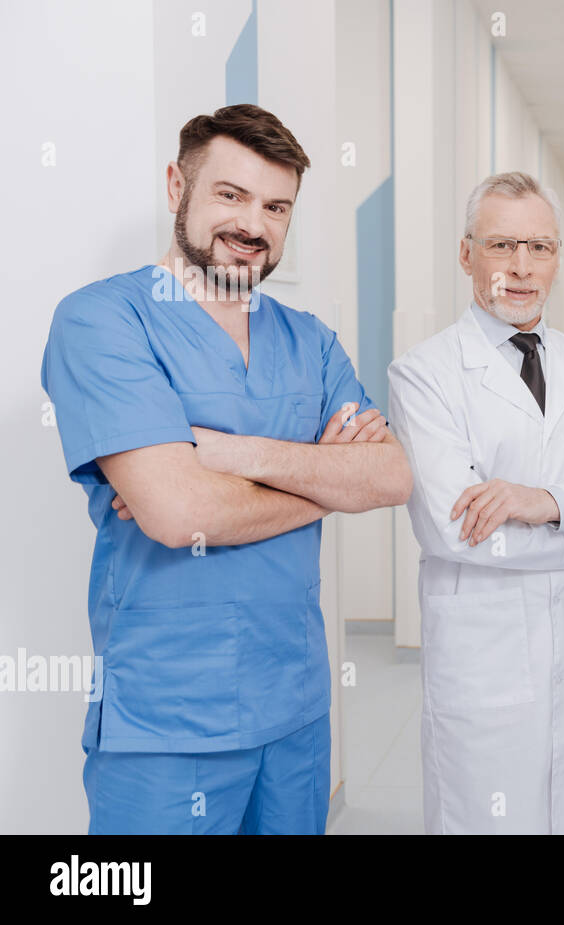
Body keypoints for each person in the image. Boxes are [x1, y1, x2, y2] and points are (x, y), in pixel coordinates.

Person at [40, 104, 412, 834]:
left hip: (296, 710)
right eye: (231, 196)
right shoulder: (103, 321)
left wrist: (225, 453)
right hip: (166, 722)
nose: (254, 224)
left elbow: (393, 477)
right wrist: (326, 481)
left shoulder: (310, 341)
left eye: (277, 206)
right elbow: (180, 516)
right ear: (177, 185)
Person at [388, 171, 564, 835]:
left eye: (540, 248)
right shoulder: (424, 373)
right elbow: (454, 528)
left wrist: (542, 500)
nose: (522, 268)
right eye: (502, 245)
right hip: (482, 674)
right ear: (466, 255)